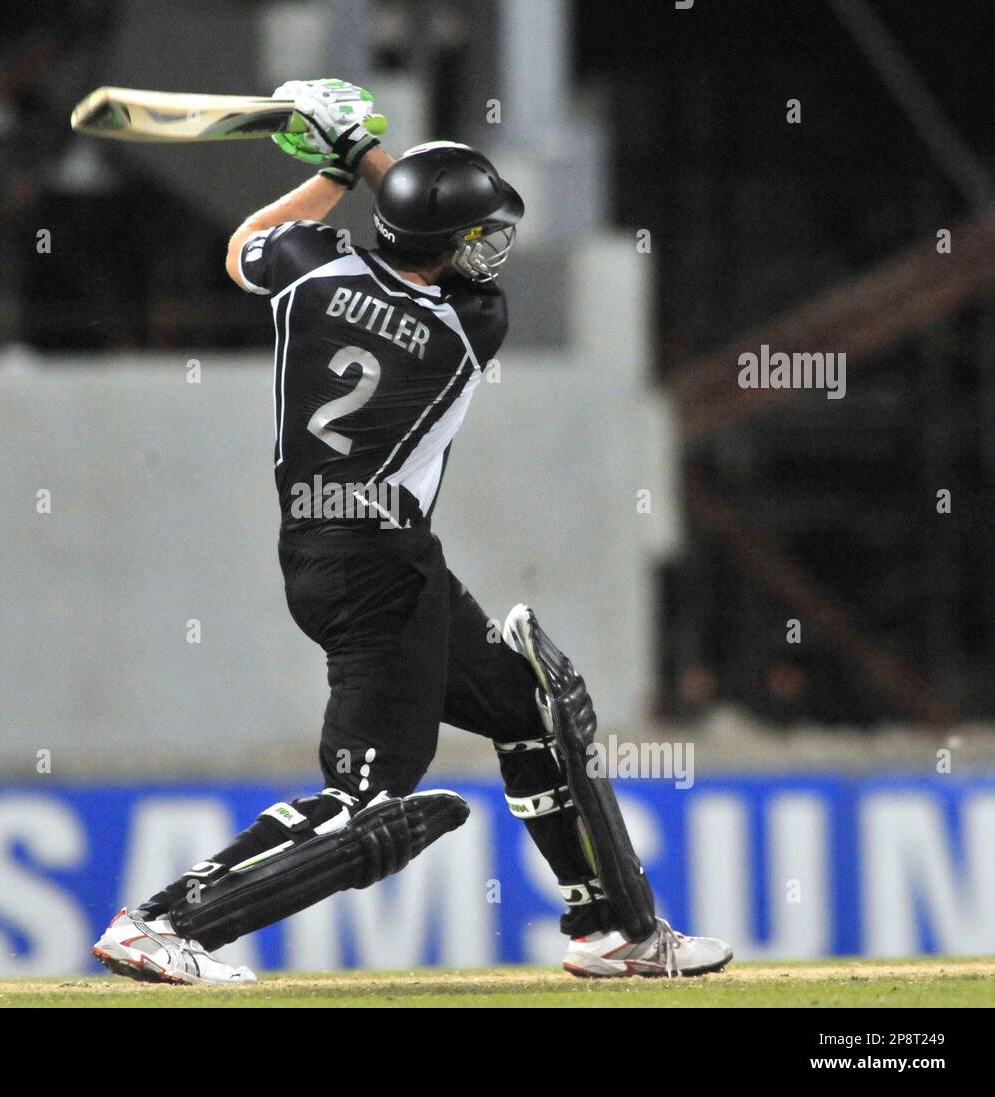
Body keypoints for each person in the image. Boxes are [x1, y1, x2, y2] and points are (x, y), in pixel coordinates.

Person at [93, 80, 732, 984]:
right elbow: (429, 247)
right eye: (480, 236)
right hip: (375, 568)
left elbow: (244, 248)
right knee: (365, 800)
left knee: (530, 710)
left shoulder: (310, 267)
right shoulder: (467, 323)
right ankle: (162, 923)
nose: (493, 252)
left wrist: (333, 172)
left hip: (345, 550)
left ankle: (612, 932)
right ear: (447, 247)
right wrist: (358, 156)